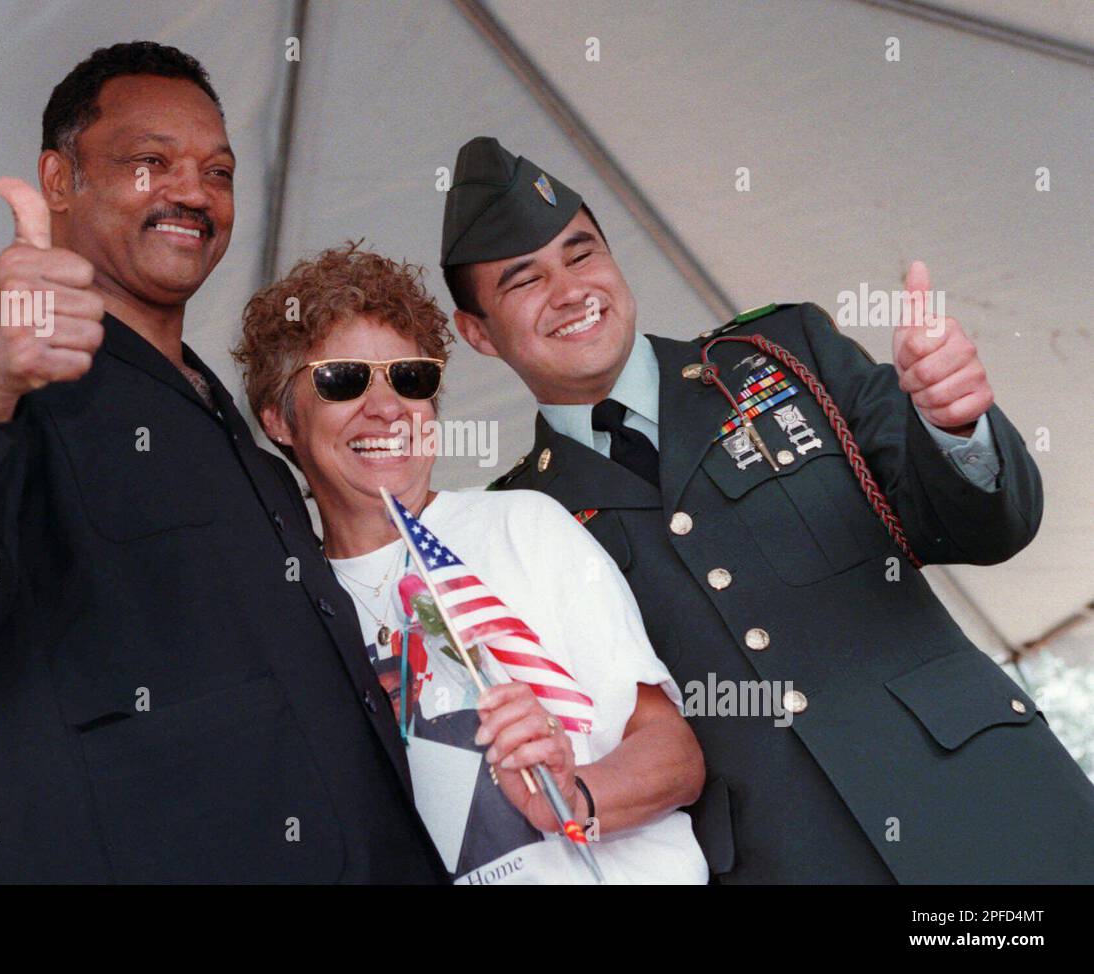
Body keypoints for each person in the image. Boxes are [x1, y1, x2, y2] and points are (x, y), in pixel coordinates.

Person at [0, 42, 444, 884]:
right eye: (149, 163)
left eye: (217, 171)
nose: (192, 191)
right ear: (57, 180)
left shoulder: (250, 453)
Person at [439, 136, 1094, 883]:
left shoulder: (782, 353)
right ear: (478, 334)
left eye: (583, 254)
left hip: (995, 810)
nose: (569, 289)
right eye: (525, 279)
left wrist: (954, 425)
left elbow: (986, 526)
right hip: (785, 861)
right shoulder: (520, 522)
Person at [231, 244, 707, 884]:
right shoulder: (287, 617)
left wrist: (572, 796)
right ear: (278, 418)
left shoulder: (524, 524)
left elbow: (674, 757)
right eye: (343, 379)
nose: (386, 407)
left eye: (411, 378)